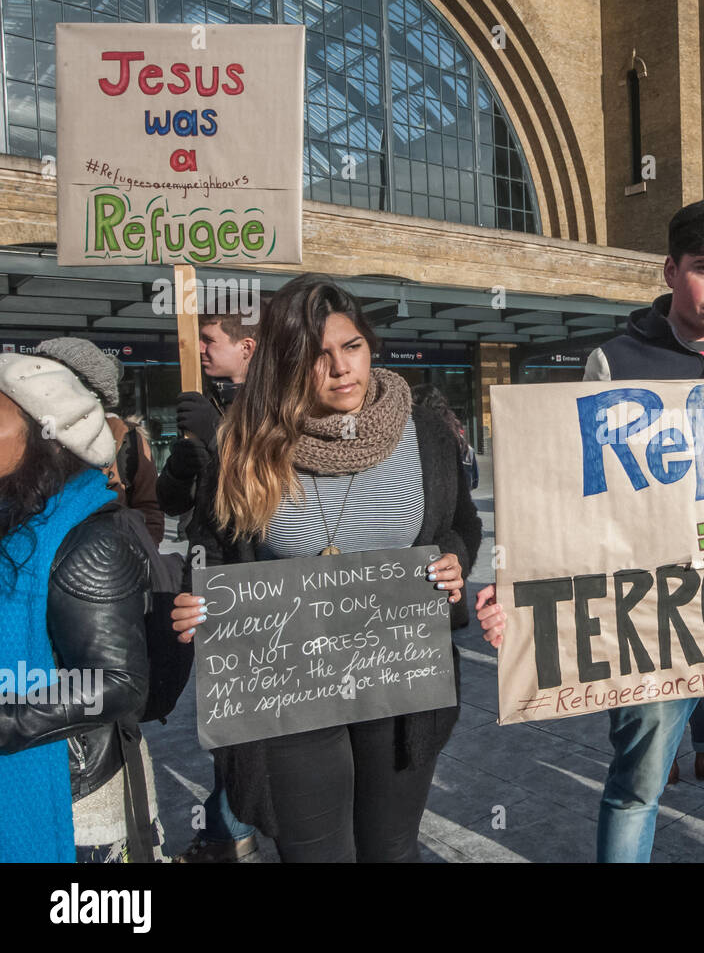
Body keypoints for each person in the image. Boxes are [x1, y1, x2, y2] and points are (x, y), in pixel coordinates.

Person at [477, 196, 704, 863]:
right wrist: (515, 579)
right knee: (638, 782)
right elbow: (571, 492)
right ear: (670, 269)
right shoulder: (615, 360)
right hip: (648, 612)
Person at [170, 273, 482, 862]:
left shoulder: (425, 431)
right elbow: (208, 543)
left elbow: (461, 525)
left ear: (370, 345)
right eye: (316, 357)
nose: (341, 369)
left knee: (391, 850)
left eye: (352, 346)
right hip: (291, 684)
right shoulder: (245, 443)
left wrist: (454, 563)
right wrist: (196, 596)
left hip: (398, 677)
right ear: (286, 364)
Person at [0, 353, 163, 862]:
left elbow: (117, 682)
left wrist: (8, 719)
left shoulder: (89, 536)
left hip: (71, 791)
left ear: (44, 431)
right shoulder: (14, 515)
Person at [155, 308, 262, 863]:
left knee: (242, 719)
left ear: (247, 348)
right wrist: (182, 462)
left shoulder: (268, 407)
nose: (199, 349)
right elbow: (172, 502)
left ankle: (231, 831)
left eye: (210, 339)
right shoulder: (214, 406)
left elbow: (262, 498)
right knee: (224, 716)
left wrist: (218, 440)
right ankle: (230, 829)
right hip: (206, 580)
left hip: (250, 583)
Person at [35, 338, 164, 545]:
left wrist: (137, 558)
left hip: (106, 563)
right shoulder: (27, 432)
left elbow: (148, 508)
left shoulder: (125, 438)